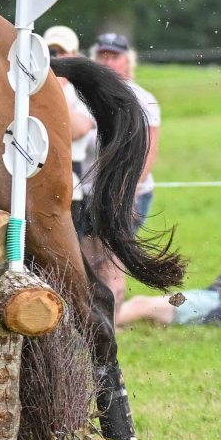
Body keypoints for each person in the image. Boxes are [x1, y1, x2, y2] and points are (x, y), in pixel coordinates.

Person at [84, 33, 161, 307]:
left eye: (114, 56)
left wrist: (126, 192)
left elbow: (149, 152)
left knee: (111, 262)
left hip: (128, 193)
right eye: (102, 55)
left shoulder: (143, 100)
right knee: (89, 262)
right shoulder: (86, 98)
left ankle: (109, 329)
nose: (108, 61)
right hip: (89, 191)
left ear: (128, 61)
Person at [117, 218, 221, 329]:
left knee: (145, 304)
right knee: (151, 304)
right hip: (202, 296)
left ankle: (103, 326)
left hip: (212, 303)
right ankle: (110, 324)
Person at [43, 26, 96, 195]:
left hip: (71, 167)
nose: (56, 58)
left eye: (62, 52)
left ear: (74, 55)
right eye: (52, 52)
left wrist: (55, 92)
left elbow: (75, 130)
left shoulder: (85, 91)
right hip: (40, 165)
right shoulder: (34, 88)